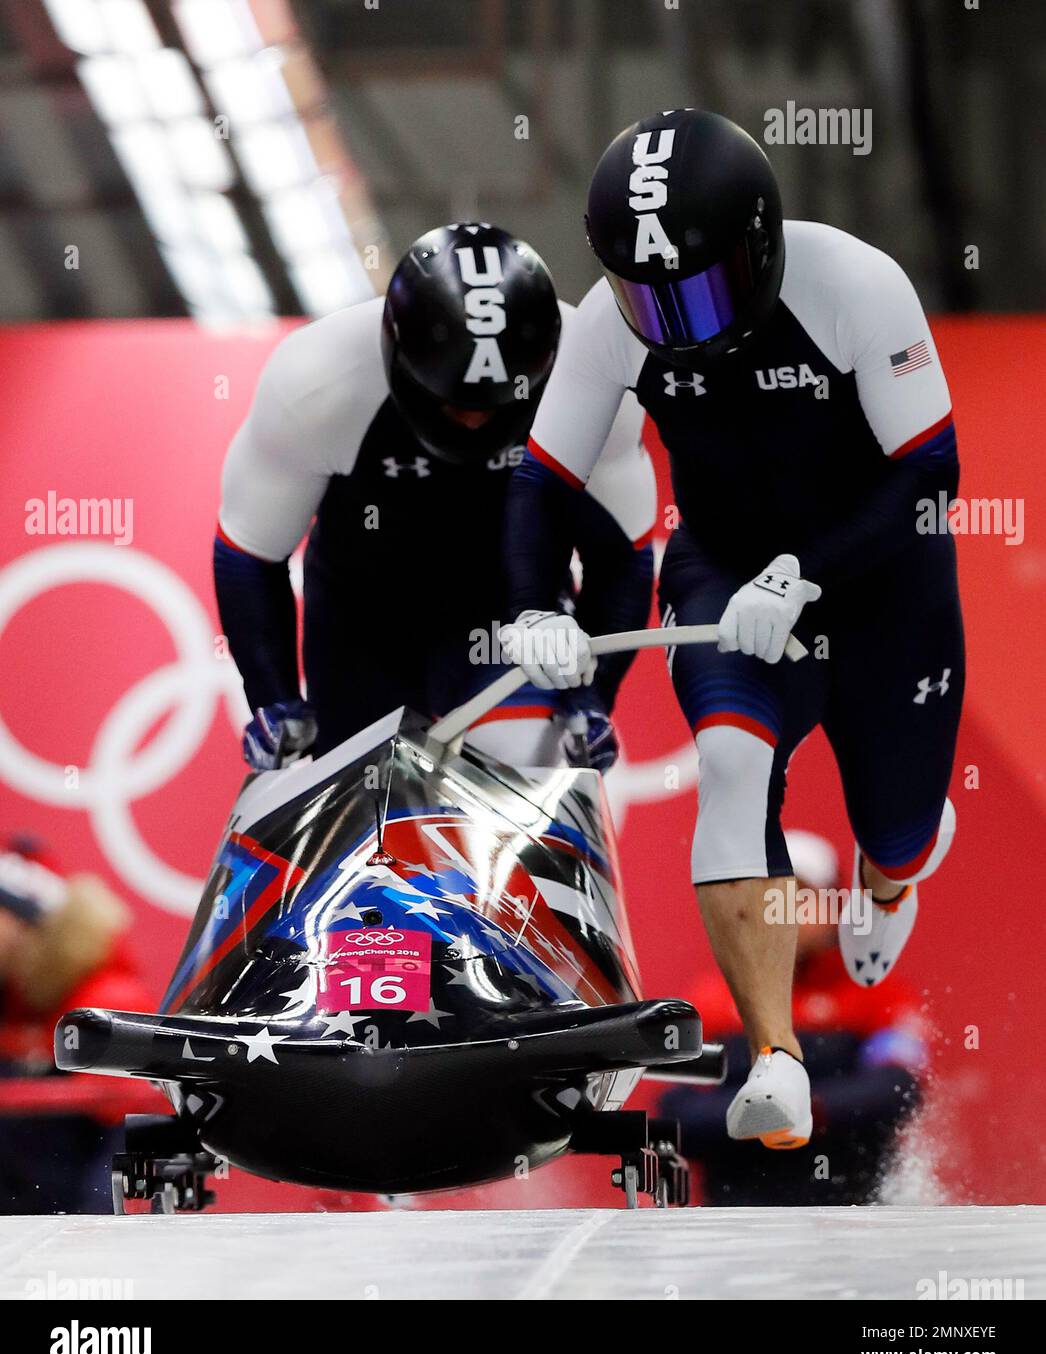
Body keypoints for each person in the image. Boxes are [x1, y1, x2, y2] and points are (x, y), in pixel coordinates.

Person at [499, 109, 963, 1148]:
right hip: (721, 564)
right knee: (729, 766)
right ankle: (774, 1057)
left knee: (893, 828)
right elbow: (540, 482)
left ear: (759, 248)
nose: (675, 324)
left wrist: (807, 572)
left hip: (881, 577)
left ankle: (893, 875)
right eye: (645, 299)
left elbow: (929, 473)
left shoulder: (853, 286)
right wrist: (535, 604)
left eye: (698, 294)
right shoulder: (609, 322)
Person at [215, 223, 655, 774]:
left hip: (513, 616)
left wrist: (592, 695)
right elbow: (250, 553)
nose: (474, 422)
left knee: (515, 782)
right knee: (368, 813)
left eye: (494, 404)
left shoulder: (592, 374)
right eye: (455, 401)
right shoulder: (314, 381)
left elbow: (623, 555)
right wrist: (272, 698)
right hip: (362, 620)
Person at [659, 831, 929, 1203]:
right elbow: (677, 1115)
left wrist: (802, 1109)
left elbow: (897, 1089)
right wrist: (768, 1115)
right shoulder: (711, 1000)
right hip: (735, 1221)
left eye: (802, 897)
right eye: (770, 898)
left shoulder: (877, 994)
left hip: (857, 1215)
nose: (785, 912)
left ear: (835, 907)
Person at [0, 837, 153, 1214]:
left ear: (25, 927)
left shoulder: (106, 1001)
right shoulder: (12, 996)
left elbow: (132, 1138)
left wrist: (92, 1242)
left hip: (68, 1232)